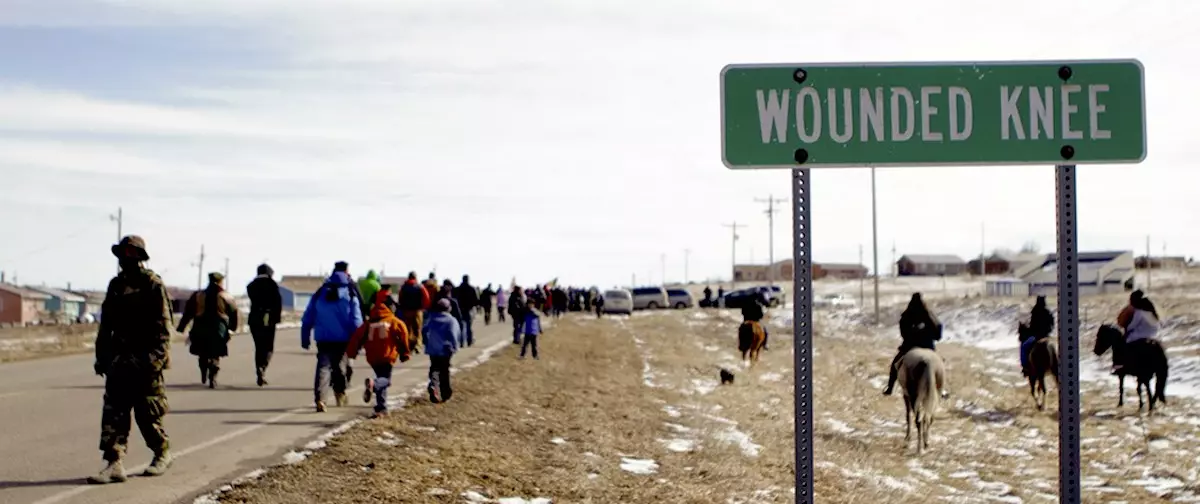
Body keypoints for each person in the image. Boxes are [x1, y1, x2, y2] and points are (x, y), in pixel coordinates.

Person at [89, 235, 174, 484]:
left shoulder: (152, 284)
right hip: (119, 361)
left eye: (130, 253)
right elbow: (106, 327)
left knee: (148, 414)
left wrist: (155, 360)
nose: (125, 258)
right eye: (122, 253)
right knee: (114, 414)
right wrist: (102, 357)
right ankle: (114, 462)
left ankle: (162, 452)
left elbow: (164, 328)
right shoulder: (115, 285)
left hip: (147, 361)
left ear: (140, 257)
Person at [301, 266, 364, 412]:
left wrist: (305, 337)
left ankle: (320, 399)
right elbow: (356, 321)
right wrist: (358, 340)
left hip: (323, 339)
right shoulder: (350, 296)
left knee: (323, 367)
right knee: (340, 368)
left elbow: (308, 317)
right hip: (343, 340)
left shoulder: (319, 295)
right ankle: (339, 392)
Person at [346, 288, 412, 418]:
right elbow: (403, 334)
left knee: (381, 378)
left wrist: (352, 352)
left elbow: (357, 337)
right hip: (387, 355)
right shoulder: (393, 321)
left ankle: (381, 407)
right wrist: (405, 353)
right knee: (385, 380)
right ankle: (373, 385)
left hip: (372, 356)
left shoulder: (368, 323)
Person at [177, 272, 239, 389]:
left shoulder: (198, 295)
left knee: (203, 353)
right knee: (215, 354)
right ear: (221, 281)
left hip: (201, 328)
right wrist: (232, 328)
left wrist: (181, 327)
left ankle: (204, 371)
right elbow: (233, 313)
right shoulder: (226, 296)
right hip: (218, 329)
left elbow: (188, 312)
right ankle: (213, 377)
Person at [883, 293, 942, 396]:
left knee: (895, 365)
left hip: (910, 347)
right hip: (928, 347)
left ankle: (890, 387)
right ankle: (941, 389)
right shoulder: (929, 315)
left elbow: (903, 333)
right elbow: (938, 331)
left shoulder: (907, 315)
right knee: (940, 365)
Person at [246, 264, 282, 386]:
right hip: (268, 318)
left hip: (254, 318)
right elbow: (278, 302)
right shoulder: (272, 285)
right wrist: (277, 318)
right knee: (268, 347)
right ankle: (262, 367)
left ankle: (259, 368)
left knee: (259, 346)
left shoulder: (251, 286)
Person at [422, 298, 461, 403]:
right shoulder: (451, 320)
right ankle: (445, 393)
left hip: (433, 348)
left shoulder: (431, 318)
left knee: (434, 368)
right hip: (445, 349)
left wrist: (426, 342)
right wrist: (454, 346)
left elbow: (424, 331)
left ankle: (433, 385)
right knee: (444, 370)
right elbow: (453, 334)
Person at [1114, 290, 1161, 373]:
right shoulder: (1151, 311)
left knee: (1123, 343)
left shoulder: (1139, 312)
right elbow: (1156, 325)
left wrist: (1126, 328)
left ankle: (1120, 365)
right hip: (1153, 334)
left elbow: (1132, 325)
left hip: (1140, 335)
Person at [1020, 295, 1054, 377]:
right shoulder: (1047, 312)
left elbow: (1032, 326)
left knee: (1024, 346)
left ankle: (1025, 367)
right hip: (1046, 337)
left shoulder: (1035, 311)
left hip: (1036, 337)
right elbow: (1052, 324)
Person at [398, 272, 431, 353]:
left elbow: (400, 298)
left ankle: (409, 345)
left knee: (408, 329)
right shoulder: (420, 287)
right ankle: (417, 345)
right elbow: (426, 298)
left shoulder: (403, 287)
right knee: (417, 329)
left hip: (406, 311)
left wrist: (402, 307)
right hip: (417, 311)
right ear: (415, 278)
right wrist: (423, 308)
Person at [454, 275, 481, 347]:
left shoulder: (458, 289)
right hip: (469, 309)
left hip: (459, 309)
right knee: (469, 326)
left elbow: (454, 298)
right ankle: (469, 341)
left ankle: (461, 342)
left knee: (461, 327)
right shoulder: (472, 289)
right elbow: (476, 300)